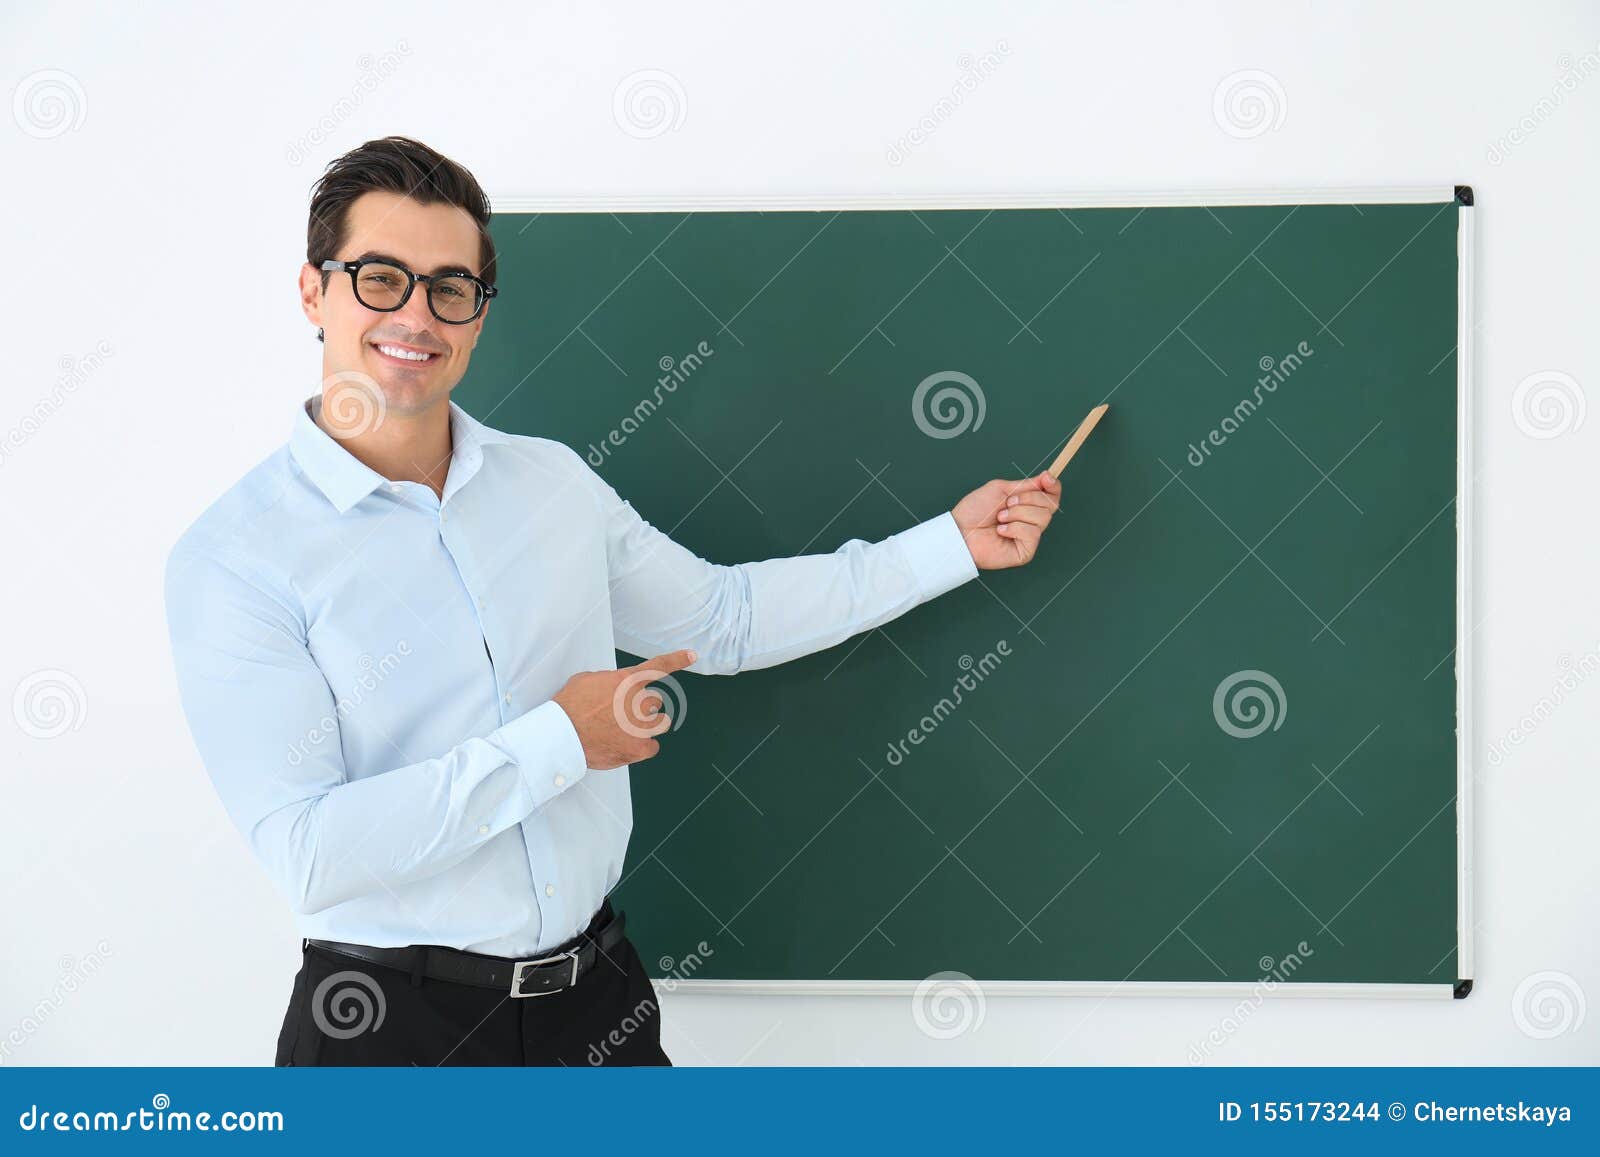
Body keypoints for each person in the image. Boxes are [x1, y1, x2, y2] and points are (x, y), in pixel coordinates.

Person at [162, 136, 1063, 1066]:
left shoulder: (550, 485)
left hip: (598, 1011)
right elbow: (308, 849)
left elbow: (724, 619)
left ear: (476, 316)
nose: (418, 314)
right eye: (380, 278)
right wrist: (559, 740)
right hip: (388, 1031)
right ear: (314, 291)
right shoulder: (236, 557)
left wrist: (951, 543)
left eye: (450, 288)